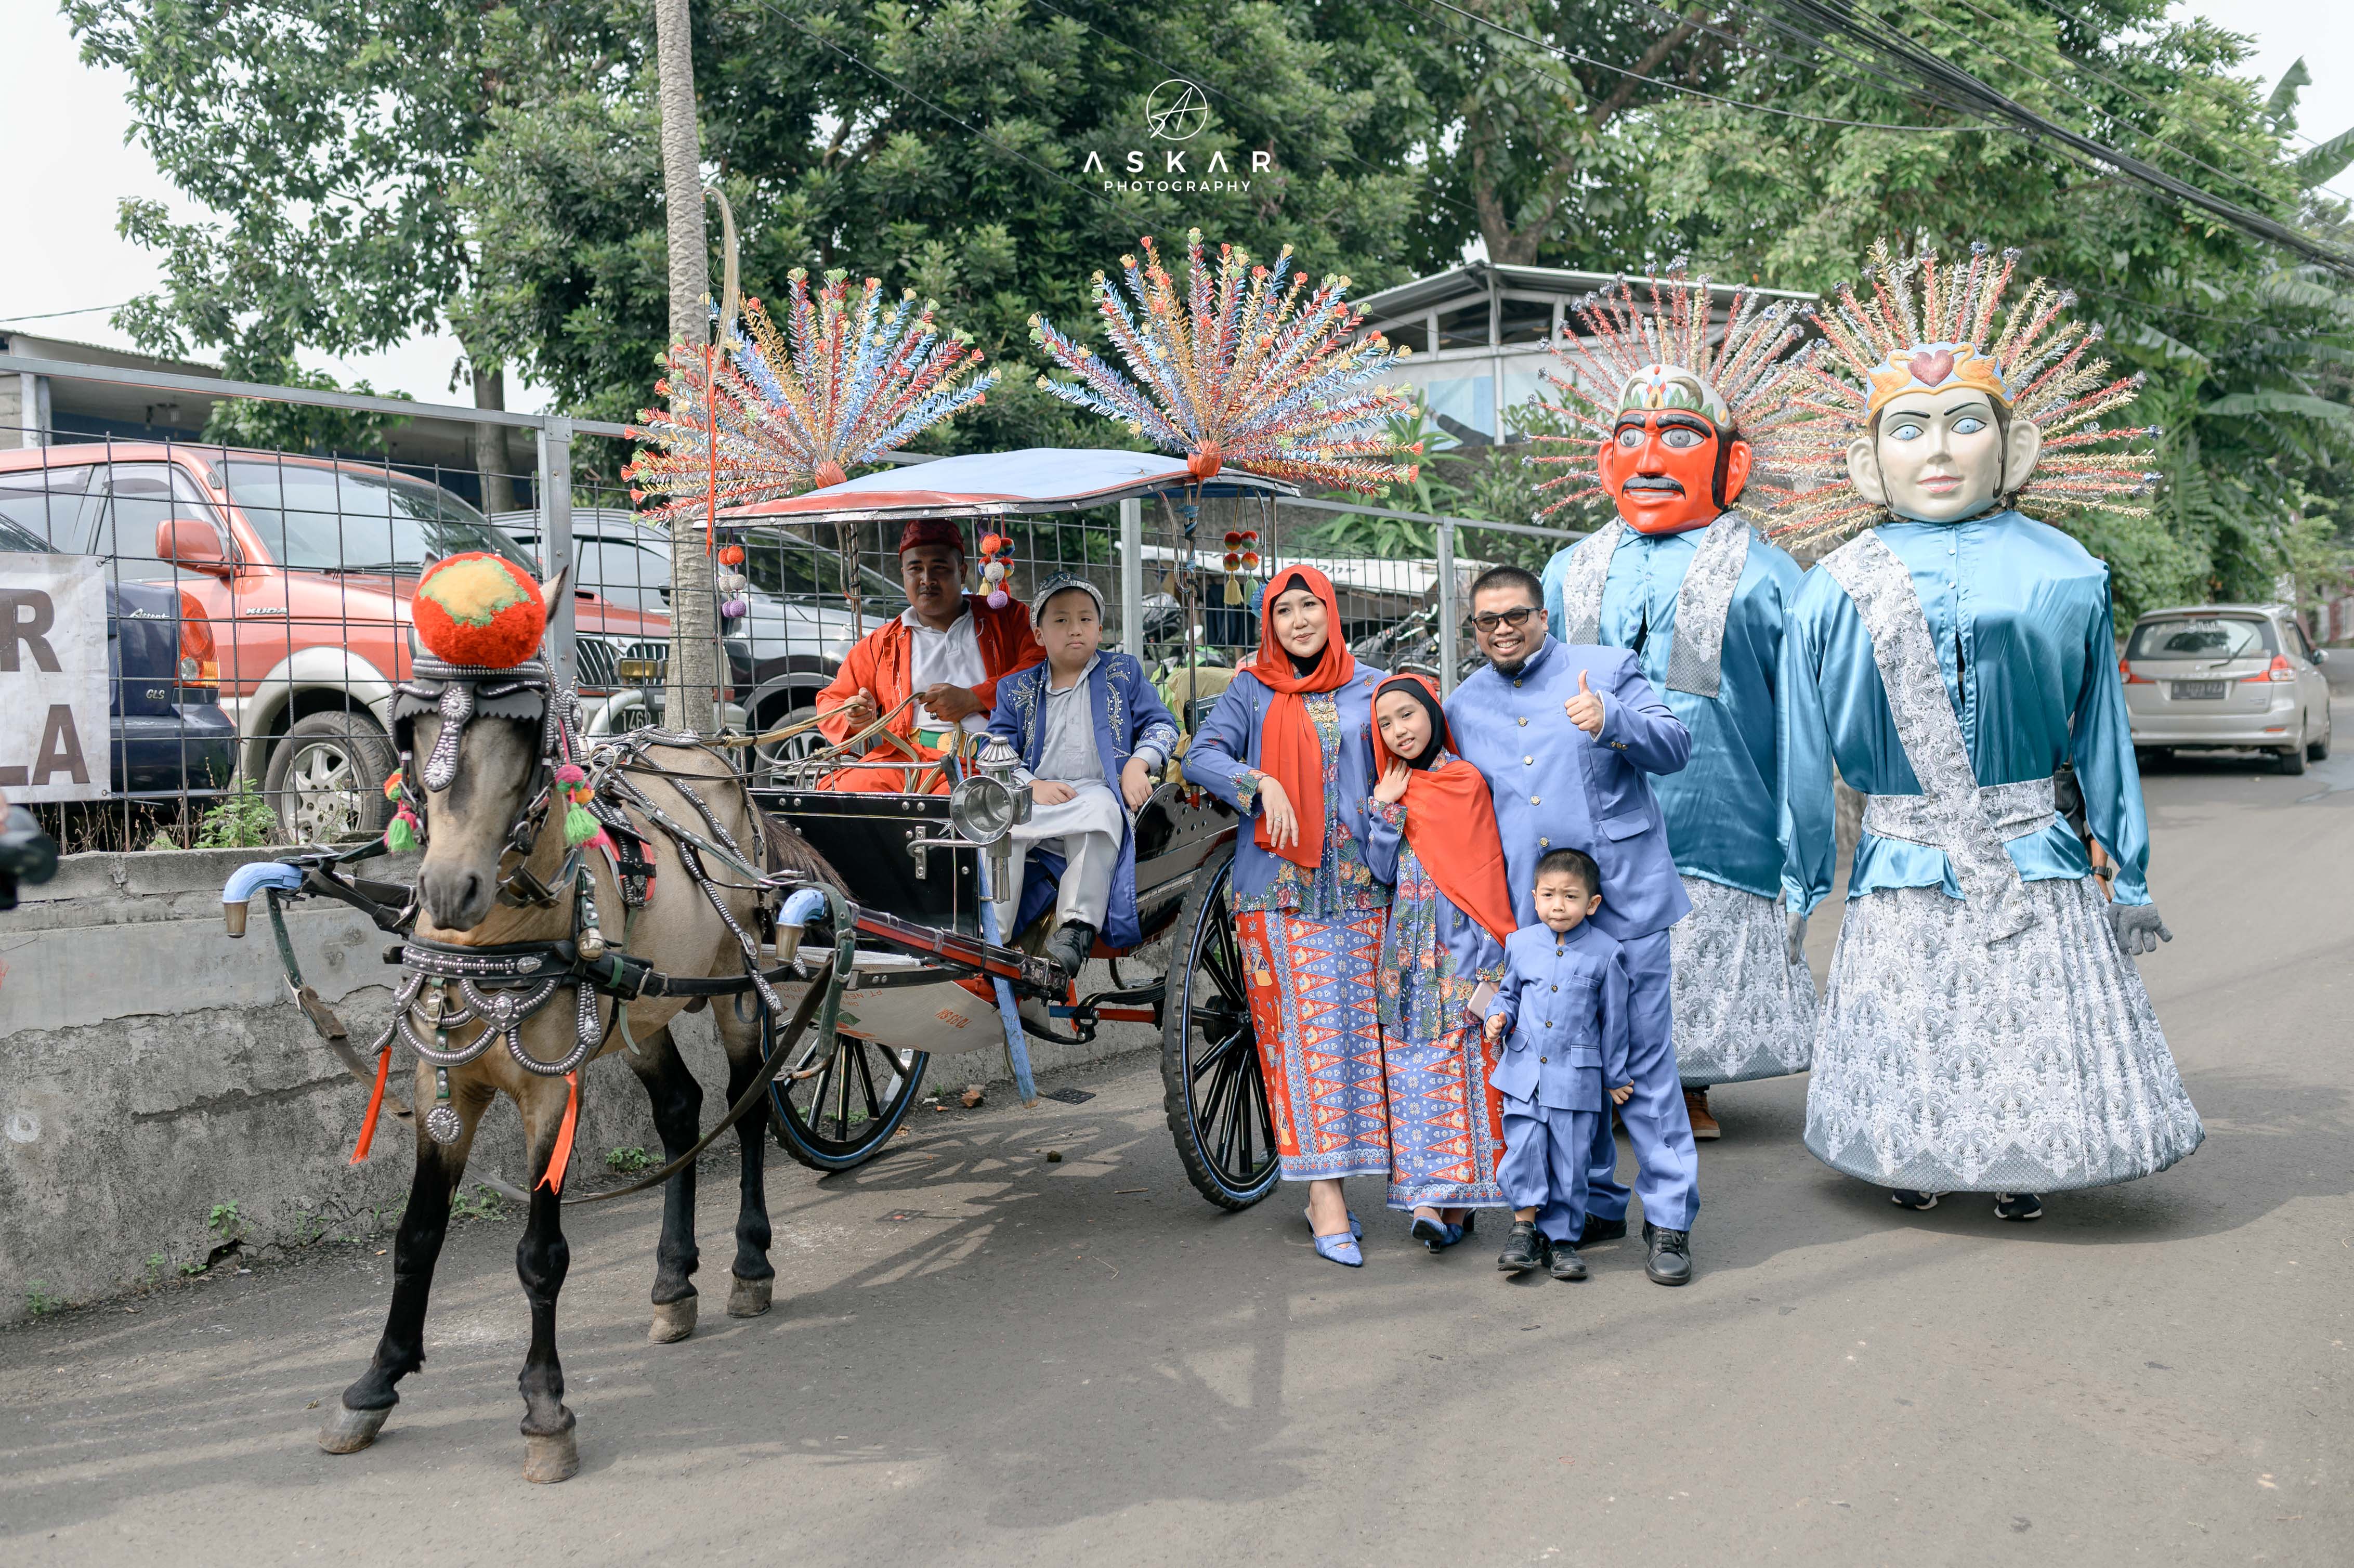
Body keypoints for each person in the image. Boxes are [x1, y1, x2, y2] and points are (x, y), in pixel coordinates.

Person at [1777, 241, 2202, 1221]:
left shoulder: (2065, 570)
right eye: (1909, 430)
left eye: (1963, 425)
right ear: (1866, 460)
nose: (1935, 451)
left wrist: (2124, 869)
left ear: (2010, 449)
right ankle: (1912, 1153)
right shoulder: (1830, 587)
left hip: (2030, 848)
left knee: (2022, 1019)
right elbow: (1801, 757)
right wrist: (1799, 877)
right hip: (1898, 848)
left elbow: (2100, 734)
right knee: (1914, 1017)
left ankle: (2025, 1163)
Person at [1535, 273, 1827, 1140]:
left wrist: (1801, 845)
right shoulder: (1565, 571)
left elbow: (1805, 728)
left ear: (1730, 463)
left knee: (1687, 941)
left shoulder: (1773, 576)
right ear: (1605, 461)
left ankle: (1687, 1082)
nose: (1650, 457)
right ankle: (1591, 1077)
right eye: (1631, 436)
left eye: (1679, 436)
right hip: (1588, 805)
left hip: (1719, 805)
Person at [1446, 564, 1700, 1287]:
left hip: (1627, 905)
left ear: (1544, 614)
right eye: (1487, 620)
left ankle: (1672, 1219)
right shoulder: (1464, 706)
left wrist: (1613, 722)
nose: (1502, 629)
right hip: (1542, 929)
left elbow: (1676, 747)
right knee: (1564, 1070)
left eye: (1516, 615)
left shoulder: (1607, 668)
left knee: (1644, 1065)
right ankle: (1591, 1203)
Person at [1183, 566, 1389, 1269]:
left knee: (1363, 1037)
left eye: (1310, 606)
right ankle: (1323, 1195)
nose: (1299, 621)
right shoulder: (1251, 689)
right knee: (1300, 1043)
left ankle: (1411, 1179)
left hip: (1368, 891)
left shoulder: (1374, 685)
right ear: (1268, 624)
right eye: (1284, 611)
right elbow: (1201, 756)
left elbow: (1422, 748)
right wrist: (1260, 779)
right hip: (1278, 896)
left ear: (1331, 612)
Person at [1363, 673, 1519, 1250]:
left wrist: (1489, 962)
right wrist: (1382, 810)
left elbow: (1483, 872)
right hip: (1407, 953)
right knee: (1411, 1070)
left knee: (1462, 1068)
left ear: (1431, 712)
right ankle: (1426, 1196)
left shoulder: (1464, 781)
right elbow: (1381, 873)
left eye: (1407, 715)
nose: (1398, 731)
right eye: (1384, 724)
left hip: (1462, 948)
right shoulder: (1389, 788)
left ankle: (1454, 1202)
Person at [983, 574, 1181, 979]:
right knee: (999, 828)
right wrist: (1030, 785)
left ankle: (1076, 928)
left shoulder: (1122, 673)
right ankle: (990, 936)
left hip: (1096, 792)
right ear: (1038, 633)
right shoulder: (1015, 688)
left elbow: (1162, 726)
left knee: (1102, 814)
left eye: (1086, 619)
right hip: (1034, 800)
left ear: (1100, 629)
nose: (1075, 629)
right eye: (1061, 621)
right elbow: (993, 748)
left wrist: (1137, 764)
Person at [1484, 848, 1634, 1280]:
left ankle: (1563, 1239)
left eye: (1570, 897)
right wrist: (1500, 1015)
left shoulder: (1607, 953)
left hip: (1577, 1078)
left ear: (1592, 904)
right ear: (1534, 898)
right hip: (1525, 1074)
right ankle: (1524, 1229)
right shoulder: (1520, 943)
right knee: (1525, 1150)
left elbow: (1614, 1020)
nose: (1558, 906)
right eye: (1549, 895)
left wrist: (1615, 1075)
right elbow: (1508, 994)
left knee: (1571, 1161)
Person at [814, 518, 1044, 793]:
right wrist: (854, 715)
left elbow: (1040, 667)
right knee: (840, 793)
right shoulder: (884, 642)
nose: (927, 580)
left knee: (968, 805)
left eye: (939, 567)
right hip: (906, 760)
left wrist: (974, 699)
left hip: (982, 760)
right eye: (916, 569)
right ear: (903, 574)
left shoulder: (1007, 618)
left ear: (962, 572)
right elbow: (831, 701)